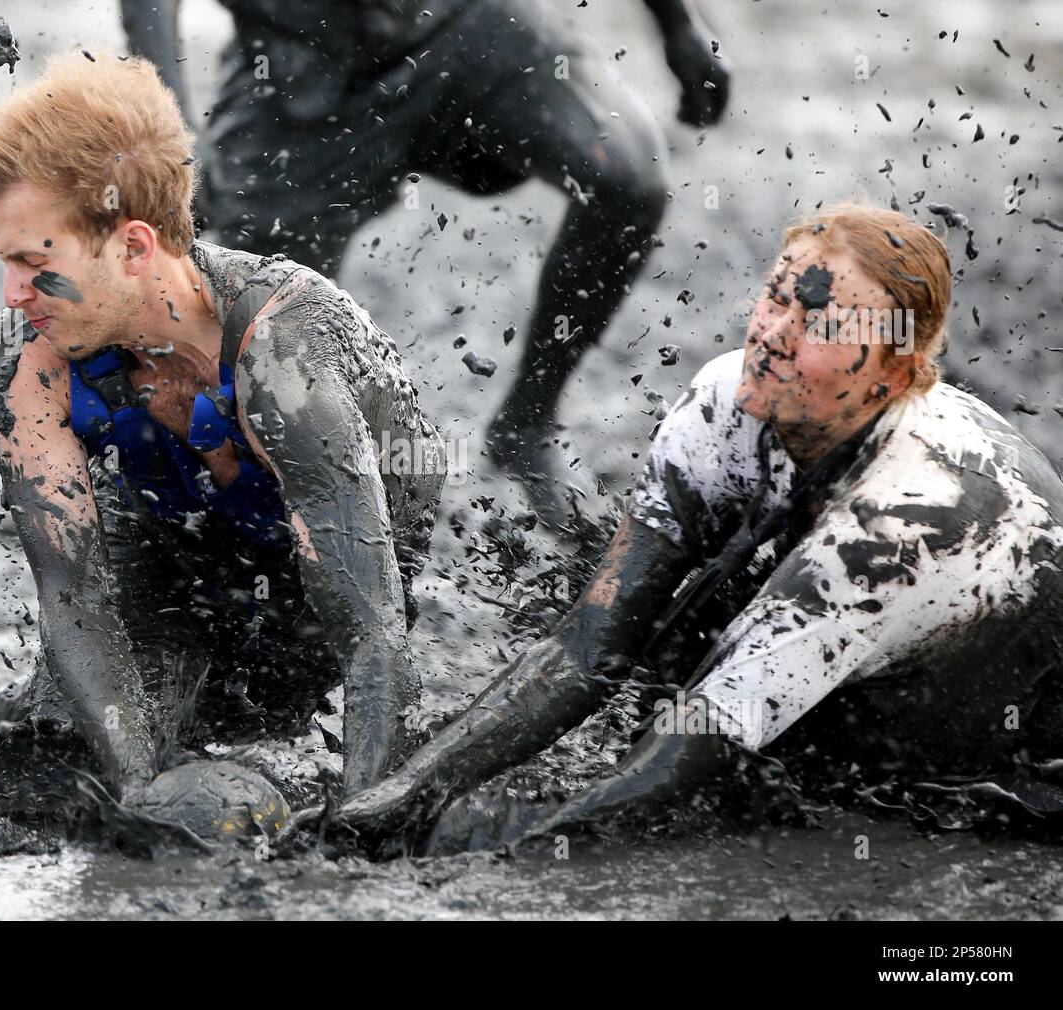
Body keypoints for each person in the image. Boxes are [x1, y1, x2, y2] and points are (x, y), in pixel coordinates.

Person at [328, 203, 1063, 851]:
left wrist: (457, 845)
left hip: (999, 756)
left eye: (818, 325)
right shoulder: (723, 398)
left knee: (785, 784)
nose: (773, 335)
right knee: (677, 642)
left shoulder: (899, 525)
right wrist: (404, 793)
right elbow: (584, 646)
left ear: (891, 379)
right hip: (848, 602)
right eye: (775, 300)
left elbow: (679, 761)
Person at [0, 53, 446, 836]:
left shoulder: (283, 350)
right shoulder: (23, 363)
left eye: (36, 265)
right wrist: (142, 790)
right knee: (60, 774)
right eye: (4, 263)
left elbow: (373, 630)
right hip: (169, 536)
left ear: (135, 247)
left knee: (334, 766)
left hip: (326, 570)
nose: (10, 295)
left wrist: (364, 827)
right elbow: (73, 595)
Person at [122, 0, 730, 525]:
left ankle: (526, 424)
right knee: (262, 333)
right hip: (303, 66)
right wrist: (169, 128)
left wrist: (678, 24)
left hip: (465, 23)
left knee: (626, 179)